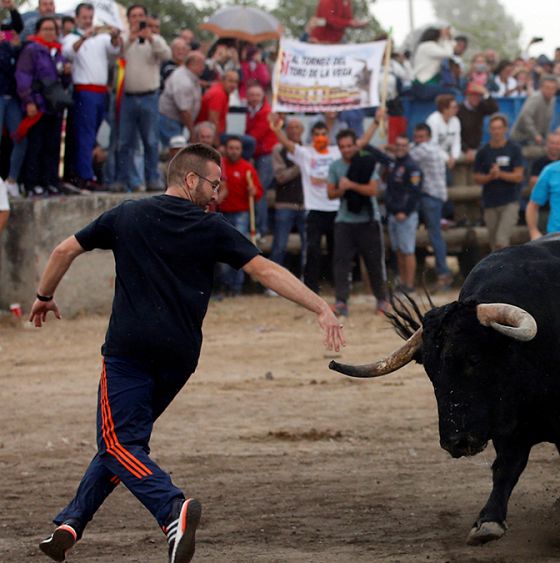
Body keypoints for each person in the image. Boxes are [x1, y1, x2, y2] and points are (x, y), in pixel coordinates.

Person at [32, 143, 344, 563]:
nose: (217, 193)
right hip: (180, 357)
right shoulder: (211, 229)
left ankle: (170, 509)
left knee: (116, 443)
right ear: (191, 179)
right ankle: (71, 523)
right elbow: (265, 270)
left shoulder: (127, 215)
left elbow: (63, 250)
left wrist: (43, 295)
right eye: (214, 184)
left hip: (129, 350)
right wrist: (320, 306)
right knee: (126, 442)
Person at [269, 112, 342, 293]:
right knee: (312, 250)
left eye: (323, 133)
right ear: (312, 136)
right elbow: (285, 144)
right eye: (316, 134)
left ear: (328, 135)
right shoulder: (306, 153)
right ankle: (310, 287)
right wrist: (277, 129)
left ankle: (338, 285)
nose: (320, 137)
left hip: (334, 207)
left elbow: (359, 147)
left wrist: (377, 122)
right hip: (313, 208)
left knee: (337, 250)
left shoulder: (336, 151)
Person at [327, 121, 387, 316]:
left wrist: (350, 185)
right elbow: (330, 194)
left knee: (374, 262)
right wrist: (341, 189)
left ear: (356, 145)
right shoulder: (335, 166)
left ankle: (382, 300)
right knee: (341, 262)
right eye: (342, 147)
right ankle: (341, 301)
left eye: (349, 146)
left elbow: (373, 190)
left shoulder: (367, 162)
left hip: (369, 220)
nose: (346, 150)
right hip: (344, 220)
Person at [61, 3, 121, 190]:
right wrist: (84, 37)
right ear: (77, 18)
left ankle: (86, 172)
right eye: (84, 17)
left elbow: (115, 50)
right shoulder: (71, 37)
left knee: (92, 134)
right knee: (85, 135)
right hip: (84, 91)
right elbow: (69, 52)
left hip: (101, 91)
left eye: (90, 17)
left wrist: (114, 35)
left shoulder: (100, 38)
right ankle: (84, 175)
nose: (88, 21)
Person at [115, 4, 169, 191]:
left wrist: (151, 38)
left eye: (140, 15)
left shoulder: (155, 39)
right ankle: (121, 180)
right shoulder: (124, 39)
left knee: (151, 141)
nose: (137, 19)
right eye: (133, 16)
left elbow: (166, 55)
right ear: (129, 19)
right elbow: (116, 55)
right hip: (128, 97)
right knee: (124, 142)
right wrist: (130, 39)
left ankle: (152, 179)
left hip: (149, 97)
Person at [15, 15, 70, 197]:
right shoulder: (31, 50)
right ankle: (32, 183)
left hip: (54, 107)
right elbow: (23, 76)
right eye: (45, 29)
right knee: (35, 146)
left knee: (52, 146)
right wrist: (28, 101)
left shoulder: (57, 52)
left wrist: (67, 73)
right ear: (38, 31)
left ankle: (50, 182)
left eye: (52, 29)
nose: (49, 33)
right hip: (38, 106)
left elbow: (61, 82)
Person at [377, 132, 423, 292]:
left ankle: (410, 284)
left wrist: (405, 211)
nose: (401, 148)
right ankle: (403, 282)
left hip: (406, 215)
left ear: (408, 147)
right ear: (394, 147)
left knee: (408, 250)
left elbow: (415, 193)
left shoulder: (413, 167)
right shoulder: (392, 164)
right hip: (393, 214)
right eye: (398, 145)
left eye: (404, 145)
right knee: (398, 250)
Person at [410, 122, 453, 290]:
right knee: (435, 235)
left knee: (435, 236)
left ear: (427, 137)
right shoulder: (435, 147)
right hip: (433, 196)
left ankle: (444, 275)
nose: (418, 140)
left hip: (430, 196)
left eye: (421, 137)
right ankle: (443, 275)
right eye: (417, 137)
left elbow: (405, 155)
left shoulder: (424, 149)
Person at [216, 136, 261, 295]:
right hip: (223, 214)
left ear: (241, 150)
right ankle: (225, 285)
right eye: (231, 148)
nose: (234, 151)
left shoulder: (247, 168)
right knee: (224, 251)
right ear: (226, 149)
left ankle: (236, 287)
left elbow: (258, 192)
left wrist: (254, 192)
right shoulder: (220, 167)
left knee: (239, 251)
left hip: (241, 214)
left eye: (237, 148)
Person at [473, 114, 524, 251]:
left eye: (499, 128)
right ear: (489, 130)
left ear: (505, 129)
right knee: (493, 242)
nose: (496, 131)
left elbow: (518, 176)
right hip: (490, 202)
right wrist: (490, 176)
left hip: (510, 201)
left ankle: (506, 270)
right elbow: (477, 178)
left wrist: (499, 174)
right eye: (493, 128)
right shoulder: (483, 152)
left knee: (502, 240)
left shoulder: (514, 149)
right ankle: (498, 270)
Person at [269, 117, 306, 274]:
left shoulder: (309, 149)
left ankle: (307, 279)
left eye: (297, 127)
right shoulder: (278, 149)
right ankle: (273, 282)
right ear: (286, 131)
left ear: (302, 130)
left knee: (308, 245)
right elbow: (280, 177)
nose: (294, 130)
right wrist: (301, 165)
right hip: (285, 204)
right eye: (291, 127)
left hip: (305, 204)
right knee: (280, 244)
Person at [244, 84, 278, 237]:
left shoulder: (266, 112)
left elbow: (253, 137)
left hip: (266, 156)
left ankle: (262, 228)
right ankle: (260, 227)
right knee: (258, 191)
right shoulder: (252, 111)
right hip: (259, 155)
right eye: (251, 95)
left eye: (257, 95)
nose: (254, 98)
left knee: (259, 191)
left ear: (262, 96)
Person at [0, 0, 25, 197]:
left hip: (12, 97)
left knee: (20, 137)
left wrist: (10, 7)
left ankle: (11, 180)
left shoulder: (8, 34)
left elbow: (17, 25)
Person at [158, 51, 204, 144]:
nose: (204, 68)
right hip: (169, 121)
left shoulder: (188, 74)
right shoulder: (183, 81)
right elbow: (184, 111)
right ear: (192, 64)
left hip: (175, 121)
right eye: (201, 64)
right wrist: (192, 132)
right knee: (175, 151)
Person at [511, 74, 558, 150]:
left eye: (553, 88)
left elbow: (548, 120)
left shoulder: (553, 100)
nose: (550, 91)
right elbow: (525, 116)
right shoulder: (535, 98)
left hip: (535, 138)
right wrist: (535, 134)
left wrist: (546, 137)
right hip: (521, 138)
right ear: (541, 88)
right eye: (547, 88)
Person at [196, 70, 239, 147]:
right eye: (230, 81)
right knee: (249, 143)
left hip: (213, 132)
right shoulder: (218, 94)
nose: (233, 85)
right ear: (222, 81)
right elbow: (213, 120)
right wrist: (217, 145)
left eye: (236, 82)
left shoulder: (222, 90)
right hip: (208, 134)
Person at [457, 82, 498, 160]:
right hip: (461, 149)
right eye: (473, 95)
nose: (476, 98)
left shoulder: (480, 107)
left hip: (476, 147)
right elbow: (456, 134)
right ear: (467, 96)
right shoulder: (459, 110)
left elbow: (494, 110)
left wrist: (486, 93)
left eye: (479, 96)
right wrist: (466, 150)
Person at [426, 93, 461, 169]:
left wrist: (454, 157)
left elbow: (456, 142)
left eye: (456, 107)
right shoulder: (433, 121)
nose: (457, 109)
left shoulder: (456, 120)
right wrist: (447, 158)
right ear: (445, 109)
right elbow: (433, 145)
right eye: (454, 107)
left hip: (448, 154)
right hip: (432, 155)